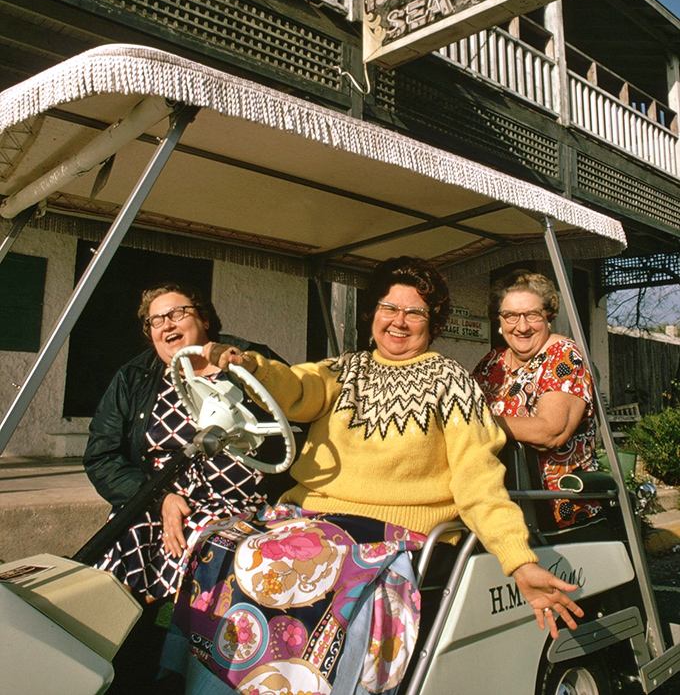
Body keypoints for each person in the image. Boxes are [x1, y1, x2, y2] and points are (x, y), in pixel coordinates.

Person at [160, 257, 583, 695]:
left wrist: (519, 561)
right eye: (389, 308)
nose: (399, 321)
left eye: (414, 311)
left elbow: (478, 480)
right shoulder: (343, 370)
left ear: (432, 320)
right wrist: (251, 367)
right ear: (373, 314)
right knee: (218, 543)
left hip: (393, 532)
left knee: (283, 565)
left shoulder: (452, 381)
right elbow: (295, 388)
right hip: (313, 517)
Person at [83, 282, 284, 600]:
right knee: (118, 550)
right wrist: (161, 499)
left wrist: (248, 369)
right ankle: (114, 637)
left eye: (177, 313)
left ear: (204, 319)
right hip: (156, 498)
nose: (167, 325)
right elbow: (101, 455)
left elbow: (297, 411)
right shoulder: (134, 377)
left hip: (236, 507)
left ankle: (169, 630)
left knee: (200, 550)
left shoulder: (248, 361)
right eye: (156, 320)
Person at [473, 270, 600, 529]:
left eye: (532, 315)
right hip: (503, 504)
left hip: (555, 511)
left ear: (548, 316)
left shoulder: (563, 355)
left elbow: (551, 431)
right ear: (499, 320)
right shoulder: (492, 362)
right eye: (510, 315)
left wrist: (477, 424)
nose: (521, 326)